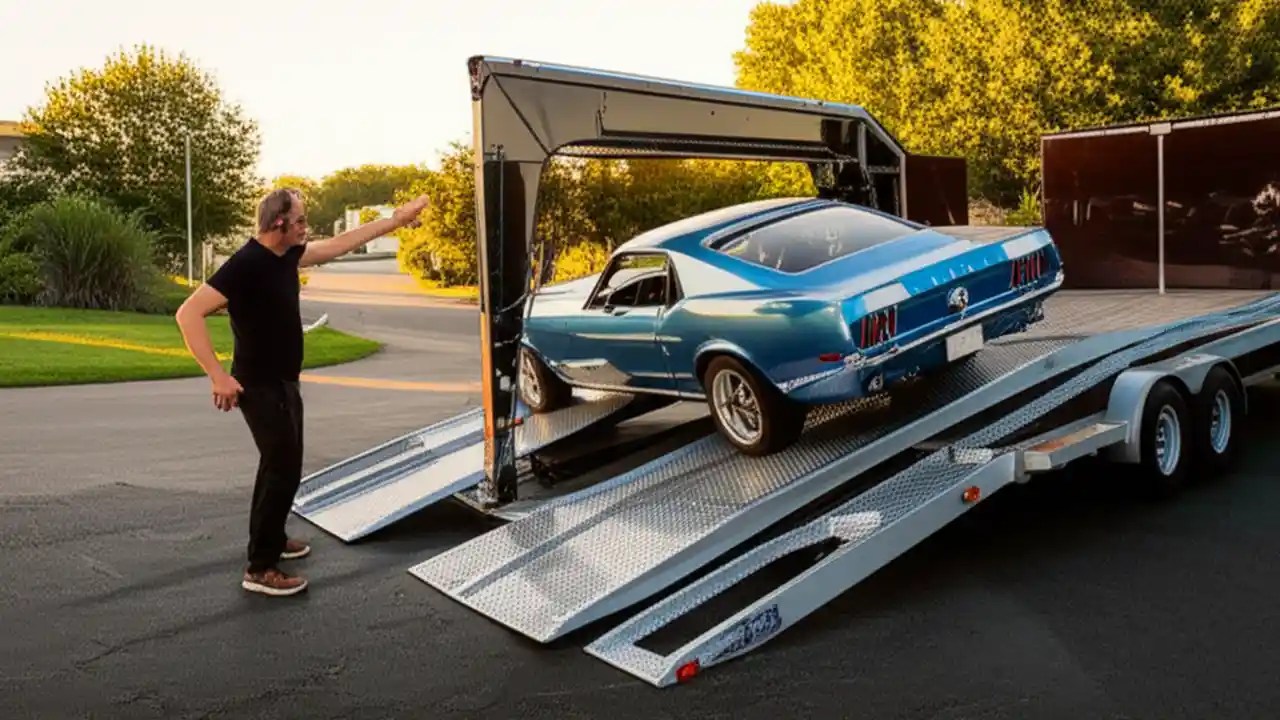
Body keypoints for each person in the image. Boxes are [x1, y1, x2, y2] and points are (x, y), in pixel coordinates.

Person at [175, 188, 431, 596]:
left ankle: (273, 539)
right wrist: (217, 376)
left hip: (285, 380)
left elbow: (341, 243)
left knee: (285, 465)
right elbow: (187, 313)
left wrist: (396, 221)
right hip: (258, 384)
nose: (305, 228)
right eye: (299, 221)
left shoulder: (287, 255)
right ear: (278, 223)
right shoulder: (245, 265)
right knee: (280, 467)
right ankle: (260, 568)